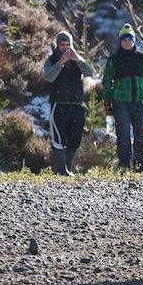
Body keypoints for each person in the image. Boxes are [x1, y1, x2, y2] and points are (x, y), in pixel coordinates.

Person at [102, 23, 143, 172]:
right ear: (120, 41)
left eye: (130, 39)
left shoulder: (141, 58)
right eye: (124, 39)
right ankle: (124, 165)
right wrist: (107, 101)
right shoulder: (114, 59)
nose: (127, 42)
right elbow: (107, 81)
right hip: (120, 102)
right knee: (123, 133)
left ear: (134, 41)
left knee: (141, 132)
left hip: (138, 102)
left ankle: (140, 163)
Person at [43, 31, 94, 176]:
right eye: (62, 45)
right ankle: (61, 170)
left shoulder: (77, 58)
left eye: (67, 45)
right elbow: (49, 77)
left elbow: (90, 72)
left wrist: (78, 60)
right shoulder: (52, 60)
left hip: (77, 104)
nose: (65, 48)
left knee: (74, 139)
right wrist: (61, 62)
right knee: (58, 139)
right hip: (59, 104)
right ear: (57, 45)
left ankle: (67, 169)